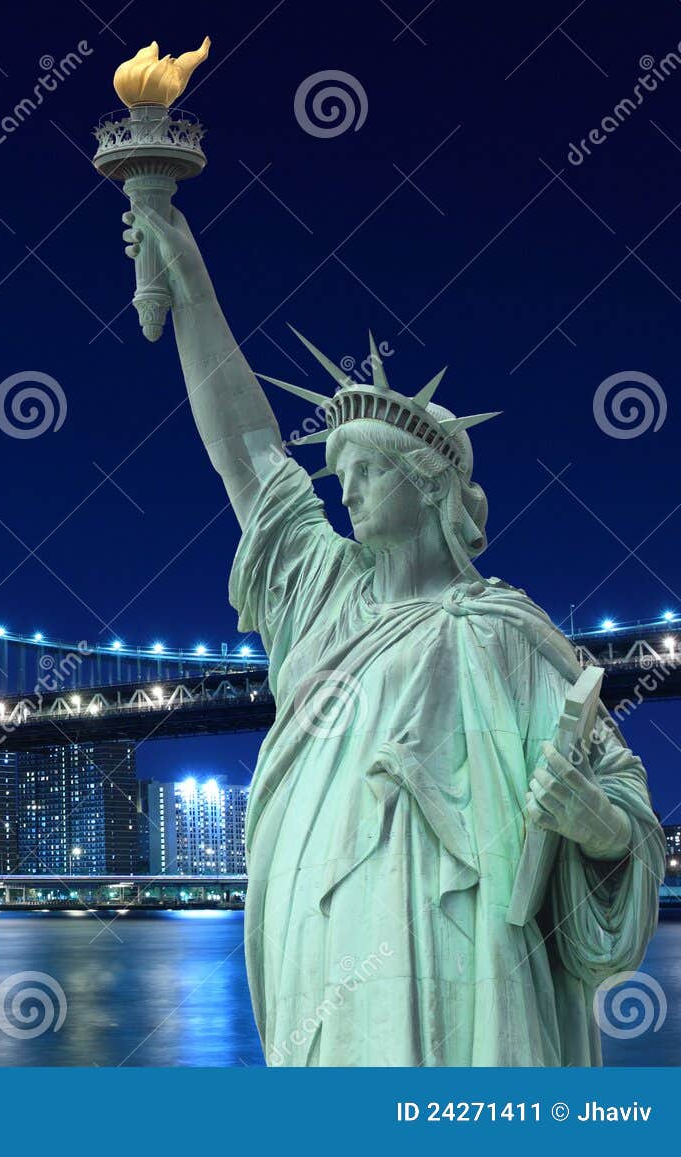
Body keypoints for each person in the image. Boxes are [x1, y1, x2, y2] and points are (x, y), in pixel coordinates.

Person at [133, 202, 662, 1065]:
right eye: (339, 471)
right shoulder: (324, 596)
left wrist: (598, 824)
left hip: (470, 958)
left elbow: (621, 797)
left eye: (369, 469)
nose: (346, 489)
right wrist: (190, 281)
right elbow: (246, 452)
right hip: (328, 946)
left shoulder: (507, 633)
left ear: (433, 486)